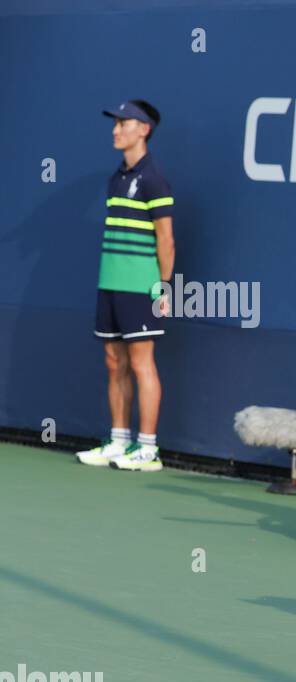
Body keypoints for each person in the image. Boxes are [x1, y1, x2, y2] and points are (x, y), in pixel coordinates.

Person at [76, 99, 175, 472]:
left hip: (141, 286)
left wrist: (163, 287)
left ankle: (148, 449)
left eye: (124, 123)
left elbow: (166, 240)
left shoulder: (154, 179)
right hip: (111, 282)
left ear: (144, 129)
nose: (116, 130)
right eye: (115, 124)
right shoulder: (117, 177)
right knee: (113, 361)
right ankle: (119, 440)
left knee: (141, 362)